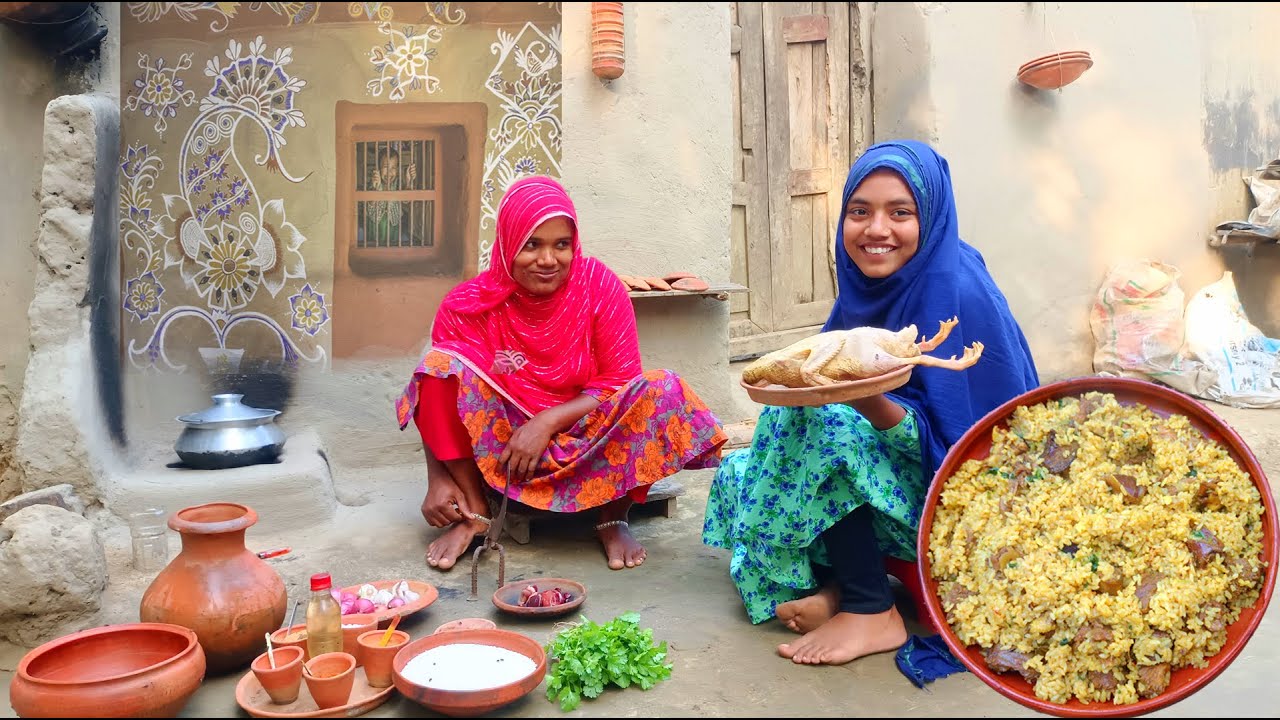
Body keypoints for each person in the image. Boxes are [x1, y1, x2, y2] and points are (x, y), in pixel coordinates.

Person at [702, 140, 1039, 665]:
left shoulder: (958, 295)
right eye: (859, 212)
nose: (876, 230)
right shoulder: (864, 287)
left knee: (823, 429)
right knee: (746, 469)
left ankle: (870, 608)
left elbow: (975, 450)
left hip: (954, 502)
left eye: (900, 213)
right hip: (887, 480)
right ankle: (841, 586)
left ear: (930, 217)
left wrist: (863, 398)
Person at [397, 175, 728, 571]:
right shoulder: (467, 305)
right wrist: (437, 477)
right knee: (437, 365)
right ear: (506, 244)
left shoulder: (598, 285)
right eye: (531, 244)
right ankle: (477, 514)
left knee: (663, 389)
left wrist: (547, 422)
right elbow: (438, 392)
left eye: (561, 244)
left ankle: (611, 514)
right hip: (510, 451)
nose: (548, 259)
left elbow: (620, 380)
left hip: (586, 434)